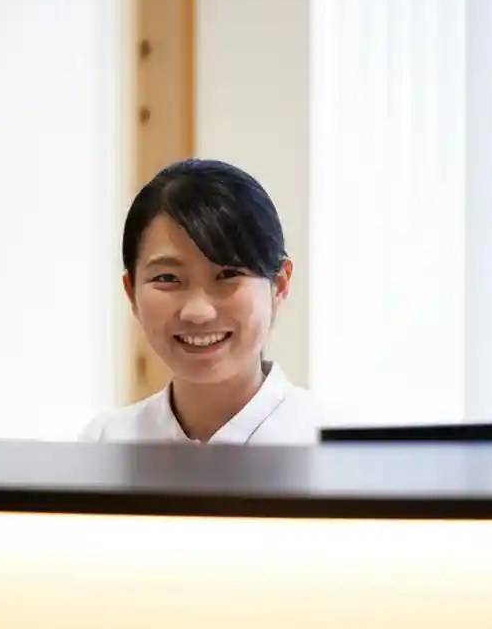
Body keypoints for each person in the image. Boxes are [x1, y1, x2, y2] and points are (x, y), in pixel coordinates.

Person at [80, 158, 321, 444]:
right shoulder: (107, 442)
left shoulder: (334, 446)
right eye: (168, 278)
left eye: (228, 274)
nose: (198, 312)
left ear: (279, 284)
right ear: (131, 292)